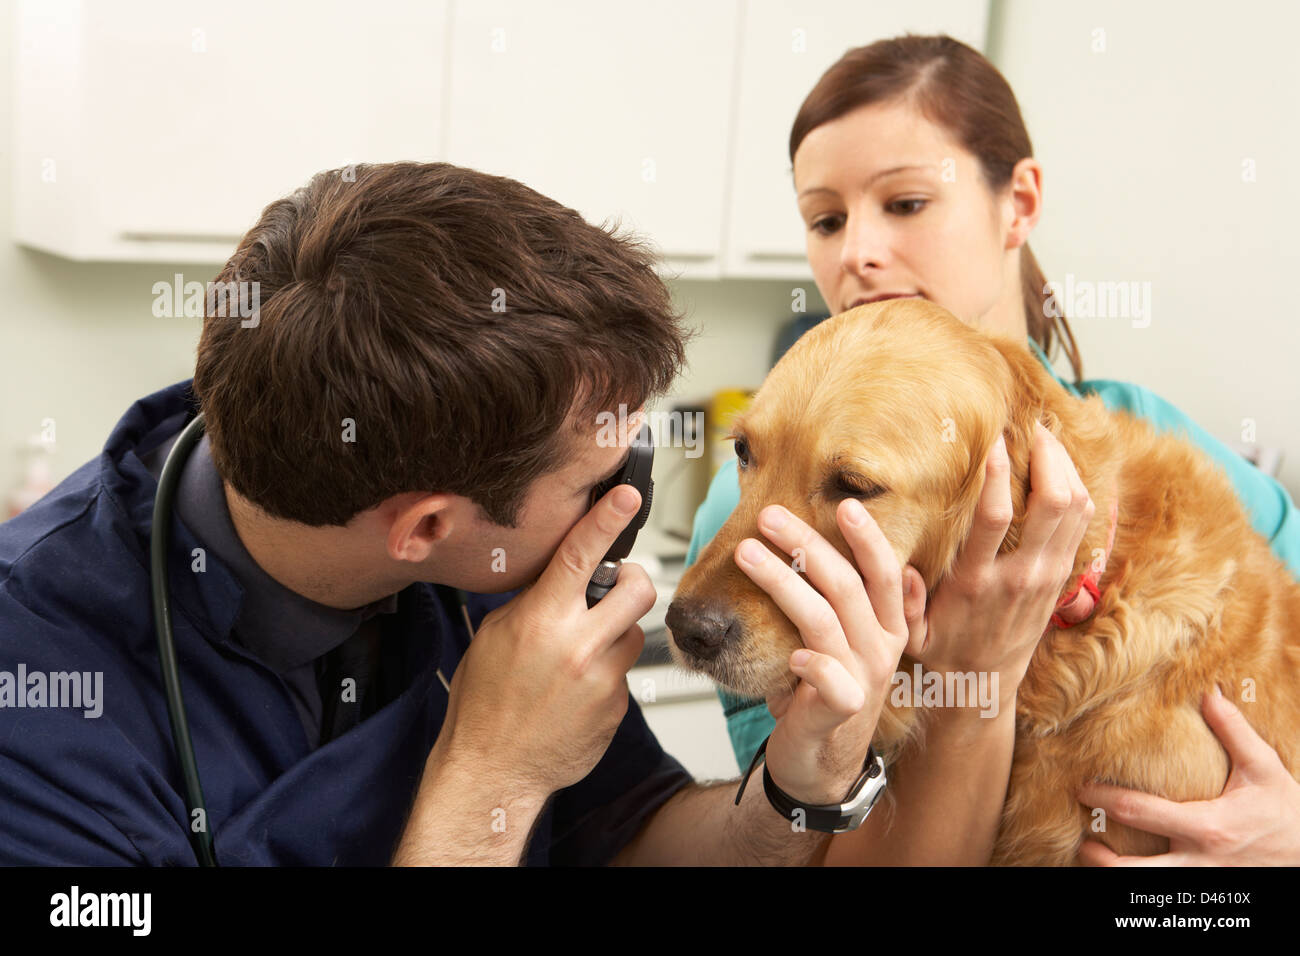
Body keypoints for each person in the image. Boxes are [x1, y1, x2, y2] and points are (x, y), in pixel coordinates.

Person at [0, 162, 911, 865]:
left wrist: (803, 777)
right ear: (429, 527)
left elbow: (636, 840)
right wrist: (492, 774)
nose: (625, 500)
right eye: (599, 475)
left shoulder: (488, 563)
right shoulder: (39, 705)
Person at [685, 35, 1300, 866]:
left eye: (905, 204)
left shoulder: (1150, 433)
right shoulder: (743, 504)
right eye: (825, 219)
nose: (856, 251)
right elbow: (807, 847)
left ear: (1019, 202)